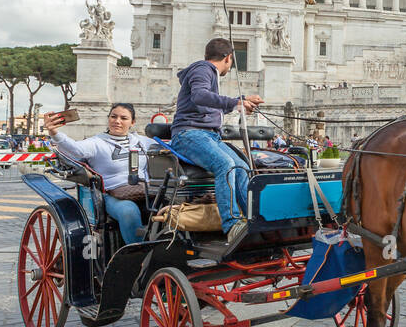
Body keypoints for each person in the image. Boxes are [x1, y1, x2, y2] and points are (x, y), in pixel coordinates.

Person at [170, 38, 264, 243]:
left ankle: (254, 220)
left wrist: (242, 100)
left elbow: (208, 100)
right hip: (189, 134)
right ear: (228, 58)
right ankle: (232, 224)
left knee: (241, 166)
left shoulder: (205, 72)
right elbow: (200, 96)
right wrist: (236, 102)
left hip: (208, 135)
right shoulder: (203, 69)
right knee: (227, 165)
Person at [47, 103, 156, 244]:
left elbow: (170, 146)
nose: (117, 121)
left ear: (132, 122)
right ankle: (139, 256)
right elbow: (75, 149)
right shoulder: (96, 142)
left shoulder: (143, 142)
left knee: (170, 206)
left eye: (124, 118)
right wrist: (54, 133)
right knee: (128, 211)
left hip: (143, 191)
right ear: (108, 118)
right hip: (110, 194)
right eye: (113, 116)